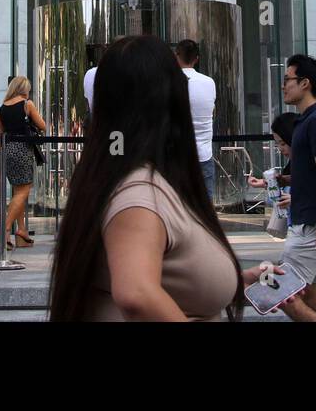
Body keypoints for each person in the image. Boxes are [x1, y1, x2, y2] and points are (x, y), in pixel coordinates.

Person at [49, 35, 280, 321]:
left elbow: (163, 277)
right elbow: (136, 294)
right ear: (168, 99)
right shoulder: (138, 193)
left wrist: (233, 281)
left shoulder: (122, 179)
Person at [273, 53, 316, 323]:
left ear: (305, 83)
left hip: (311, 228)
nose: (283, 85)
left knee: (276, 291)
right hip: (310, 223)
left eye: (287, 79)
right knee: (315, 302)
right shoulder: (306, 121)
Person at [0, 76, 47, 249]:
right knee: (24, 191)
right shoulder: (27, 104)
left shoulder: (3, 107)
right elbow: (43, 126)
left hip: (9, 149)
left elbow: (2, 132)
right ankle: (3, 230)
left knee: (17, 191)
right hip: (23, 149)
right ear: (24, 88)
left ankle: (21, 231)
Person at [174, 39, 217, 200]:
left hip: (177, 157)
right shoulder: (209, 83)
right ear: (196, 59)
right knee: (205, 212)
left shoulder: (169, 82)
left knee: (177, 210)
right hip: (204, 155)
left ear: (176, 56)